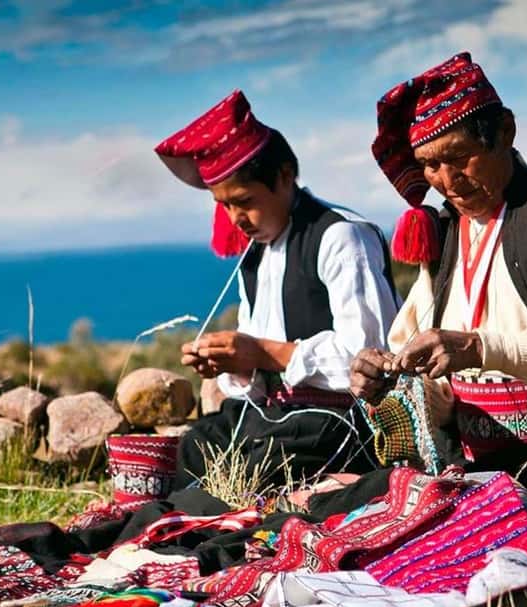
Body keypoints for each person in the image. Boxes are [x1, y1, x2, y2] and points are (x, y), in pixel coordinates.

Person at [349, 52, 527, 493]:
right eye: (430, 165)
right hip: (478, 463)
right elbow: (436, 383)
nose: (447, 181)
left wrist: (481, 347)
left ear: (505, 132)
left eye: (460, 157)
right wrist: (387, 380)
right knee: (349, 508)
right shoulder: (446, 231)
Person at [156, 90, 399, 490]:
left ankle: (200, 529)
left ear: (285, 175)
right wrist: (233, 364)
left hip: (337, 423)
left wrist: (264, 353)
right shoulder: (254, 257)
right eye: (224, 206)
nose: (236, 218)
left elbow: (373, 362)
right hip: (276, 417)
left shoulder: (342, 237)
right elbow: (256, 376)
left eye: (244, 201)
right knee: (198, 444)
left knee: (261, 465)